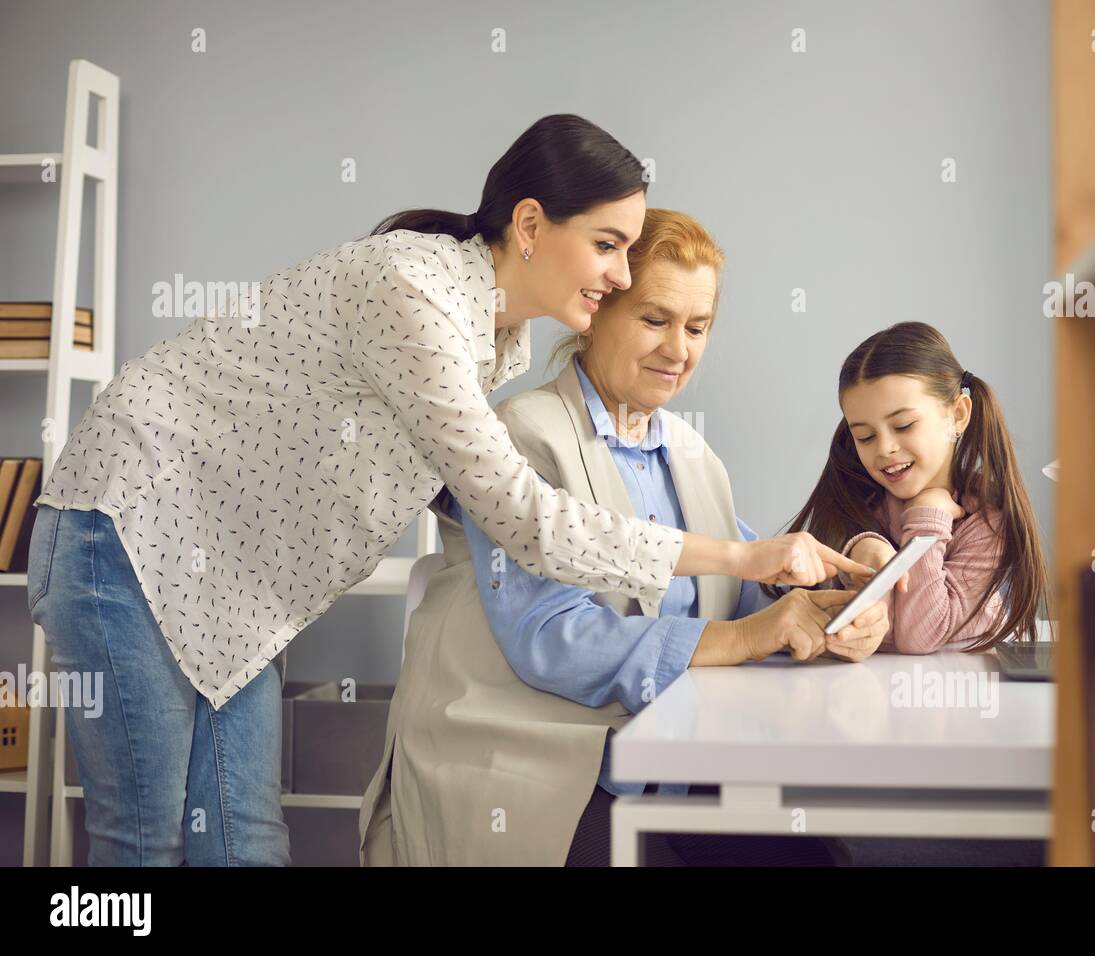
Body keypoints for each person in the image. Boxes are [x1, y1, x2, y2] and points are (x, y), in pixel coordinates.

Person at [25, 115, 866, 866]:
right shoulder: (415, 291)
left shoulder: (496, 341)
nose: (618, 273)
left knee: (244, 839)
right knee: (145, 839)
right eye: (608, 244)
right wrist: (748, 556)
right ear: (531, 224)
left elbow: (441, 483)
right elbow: (526, 519)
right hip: (128, 525)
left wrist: (816, 576)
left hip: (235, 584)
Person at [358, 209, 890, 866]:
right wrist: (753, 636)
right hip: (544, 765)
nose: (679, 349)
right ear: (596, 309)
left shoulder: (689, 454)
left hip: (666, 760)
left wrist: (835, 607)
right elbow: (551, 640)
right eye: (654, 319)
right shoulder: (520, 438)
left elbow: (746, 593)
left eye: (697, 327)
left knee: (816, 860)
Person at [768, 321, 1050, 652]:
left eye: (903, 425)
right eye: (866, 436)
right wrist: (865, 550)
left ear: (957, 416)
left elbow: (920, 636)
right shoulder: (856, 507)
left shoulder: (986, 521)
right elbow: (838, 625)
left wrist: (927, 517)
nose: (884, 448)